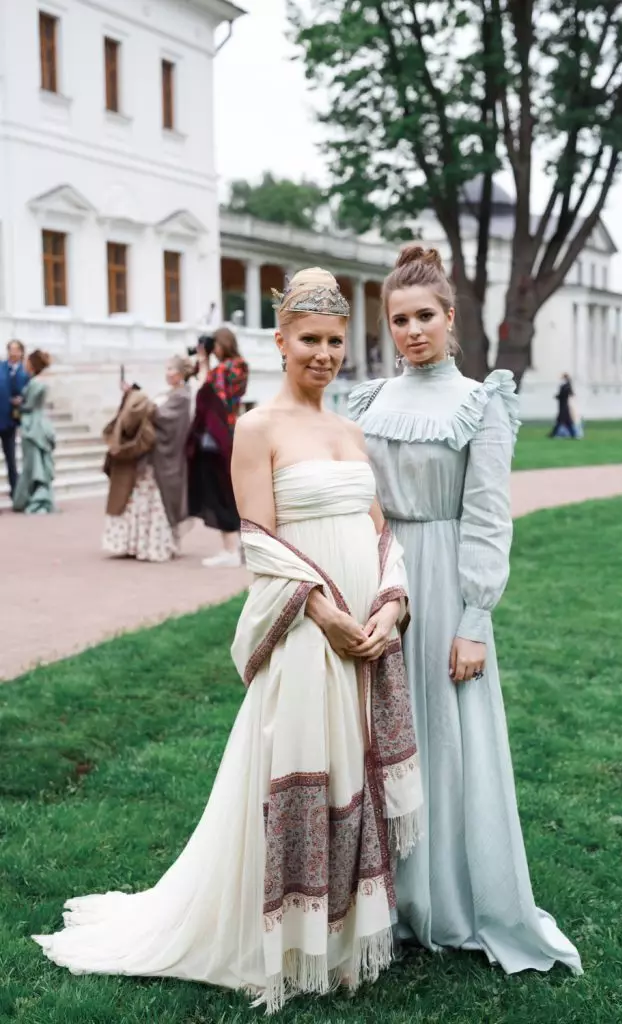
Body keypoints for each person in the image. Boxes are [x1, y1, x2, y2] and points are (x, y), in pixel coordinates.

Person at [33, 268, 423, 1012]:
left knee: (353, 777)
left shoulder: (349, 430)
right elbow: (262, 544)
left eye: (335, 341)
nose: (323, 354)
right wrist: (325, 613)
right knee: (307, 773)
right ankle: (284, 938)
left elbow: (380, 535)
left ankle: (343, 940)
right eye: (309, 339)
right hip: (309, 630)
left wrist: (389, 606)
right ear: (278, 342)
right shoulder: (257, 427)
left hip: (365, 631)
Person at [348, 246, 582, 977]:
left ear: (450, 320)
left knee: (448, 741)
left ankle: (446, 901)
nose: (412, 331)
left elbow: (486, 515)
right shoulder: (368, 400)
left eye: (425, 317)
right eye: (399, 320)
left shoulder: (481, 401)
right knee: (381, 738)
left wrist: (473, 618)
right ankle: (386, 897)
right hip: (379, 581)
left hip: (446, 582)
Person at [102, 355, 193, 562]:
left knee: (156, 502)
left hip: (163, 460)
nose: (167, 372)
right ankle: (138, 544)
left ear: (180, 374)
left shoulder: (182, 397)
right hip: (151, 459)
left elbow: (159, 417)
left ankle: (155, 545)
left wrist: (137, 397)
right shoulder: (170, 393)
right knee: (142, 499)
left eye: (171, 369)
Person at [187, 327, 248, 568]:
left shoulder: (224, 369)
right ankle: (239, 545)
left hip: (218, 439)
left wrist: (203, 361)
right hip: (233, 435)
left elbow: (206, 392)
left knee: (221, 493)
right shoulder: (241, 366)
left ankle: (230, 549)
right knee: (232, 492)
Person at [12, 350, 56, 514]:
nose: (24, 364)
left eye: (27, 362)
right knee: (38, 463)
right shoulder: (38, 382)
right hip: (39, 423)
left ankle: (36, 499)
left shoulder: (35, 383)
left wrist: (17, 404)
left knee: (33, 465)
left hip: (33, 425)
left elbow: (28, 406)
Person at [0, 339, 30, 500]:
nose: (13, 353)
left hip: (11, 422)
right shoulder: (1, 367)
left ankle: (16, 494)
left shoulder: (25, 372)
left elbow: (29, 395)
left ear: (21, 352)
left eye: (16, 350)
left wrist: (21, 400)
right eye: (10, 349)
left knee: (11, 459)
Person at [549, 373, 577, 438]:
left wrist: (557, 396)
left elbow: (562, 395)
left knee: (562, 422)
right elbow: (570, 394)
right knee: (565, 422)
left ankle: (553, 434)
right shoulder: (568, 386)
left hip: (563, 407)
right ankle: (573, 434)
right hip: (564, 406)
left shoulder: (565, 386)